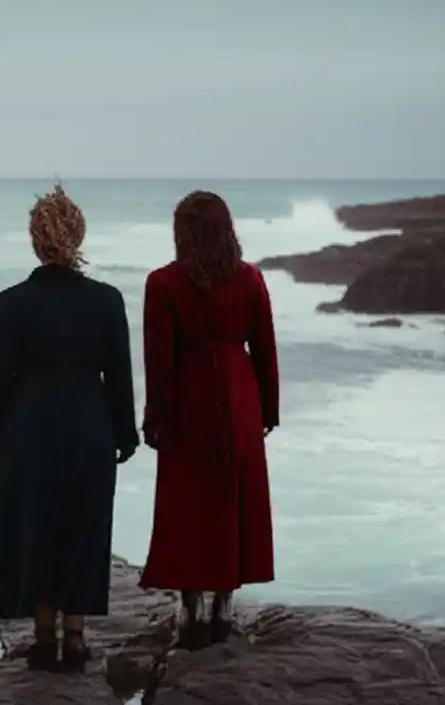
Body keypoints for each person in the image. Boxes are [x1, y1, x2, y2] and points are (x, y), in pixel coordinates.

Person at [0, 185, 139, 672]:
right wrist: (125, 435)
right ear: (79, 236)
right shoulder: (107, 301)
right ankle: (77, 636)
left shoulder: (10, 303)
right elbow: (120, 375)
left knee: (33, 528)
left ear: (34, 239)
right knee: (83, 527)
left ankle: (43, 637)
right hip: (89, 424)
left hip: (28, 427)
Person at [138, 191, 279, 648]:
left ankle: (189, 606)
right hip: (241, 398)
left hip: (189, 398)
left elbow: (158, 360)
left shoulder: (163, 283)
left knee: (189, 505)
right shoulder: (250, 279)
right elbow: (265, 351)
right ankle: (225, 605)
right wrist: (269, 410)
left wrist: (155, 417)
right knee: (232, 499)